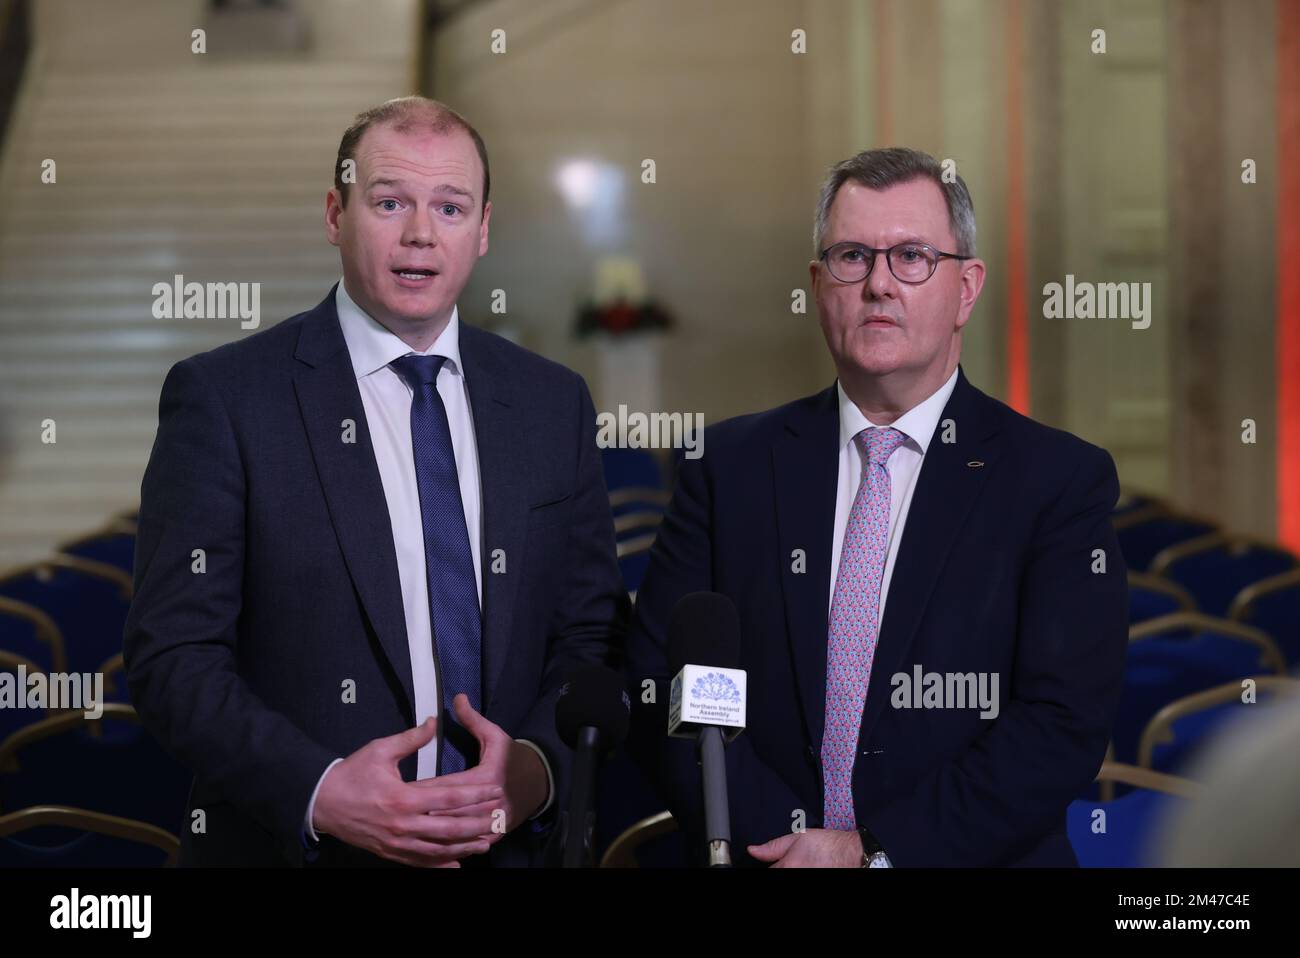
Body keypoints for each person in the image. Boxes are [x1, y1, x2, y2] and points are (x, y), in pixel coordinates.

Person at [124, 96, 628, 867]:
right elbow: (174, 659)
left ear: (484, 228)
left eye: (450, 207)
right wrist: (321, 790)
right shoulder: (226, 400)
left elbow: (591, 636)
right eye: (389, 202)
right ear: (335, 213)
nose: (421, 233)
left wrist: (531, 772)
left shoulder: (550, 403)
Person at [626, 147, 1128, 867]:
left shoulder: (1057, 482)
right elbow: (667, 695)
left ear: (967, 288)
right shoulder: (726, 468)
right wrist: (787, 849)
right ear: (817, 285)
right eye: (852, 257)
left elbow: (1060, 726)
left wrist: (869, 854)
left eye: (913, 257)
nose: (879, 285)